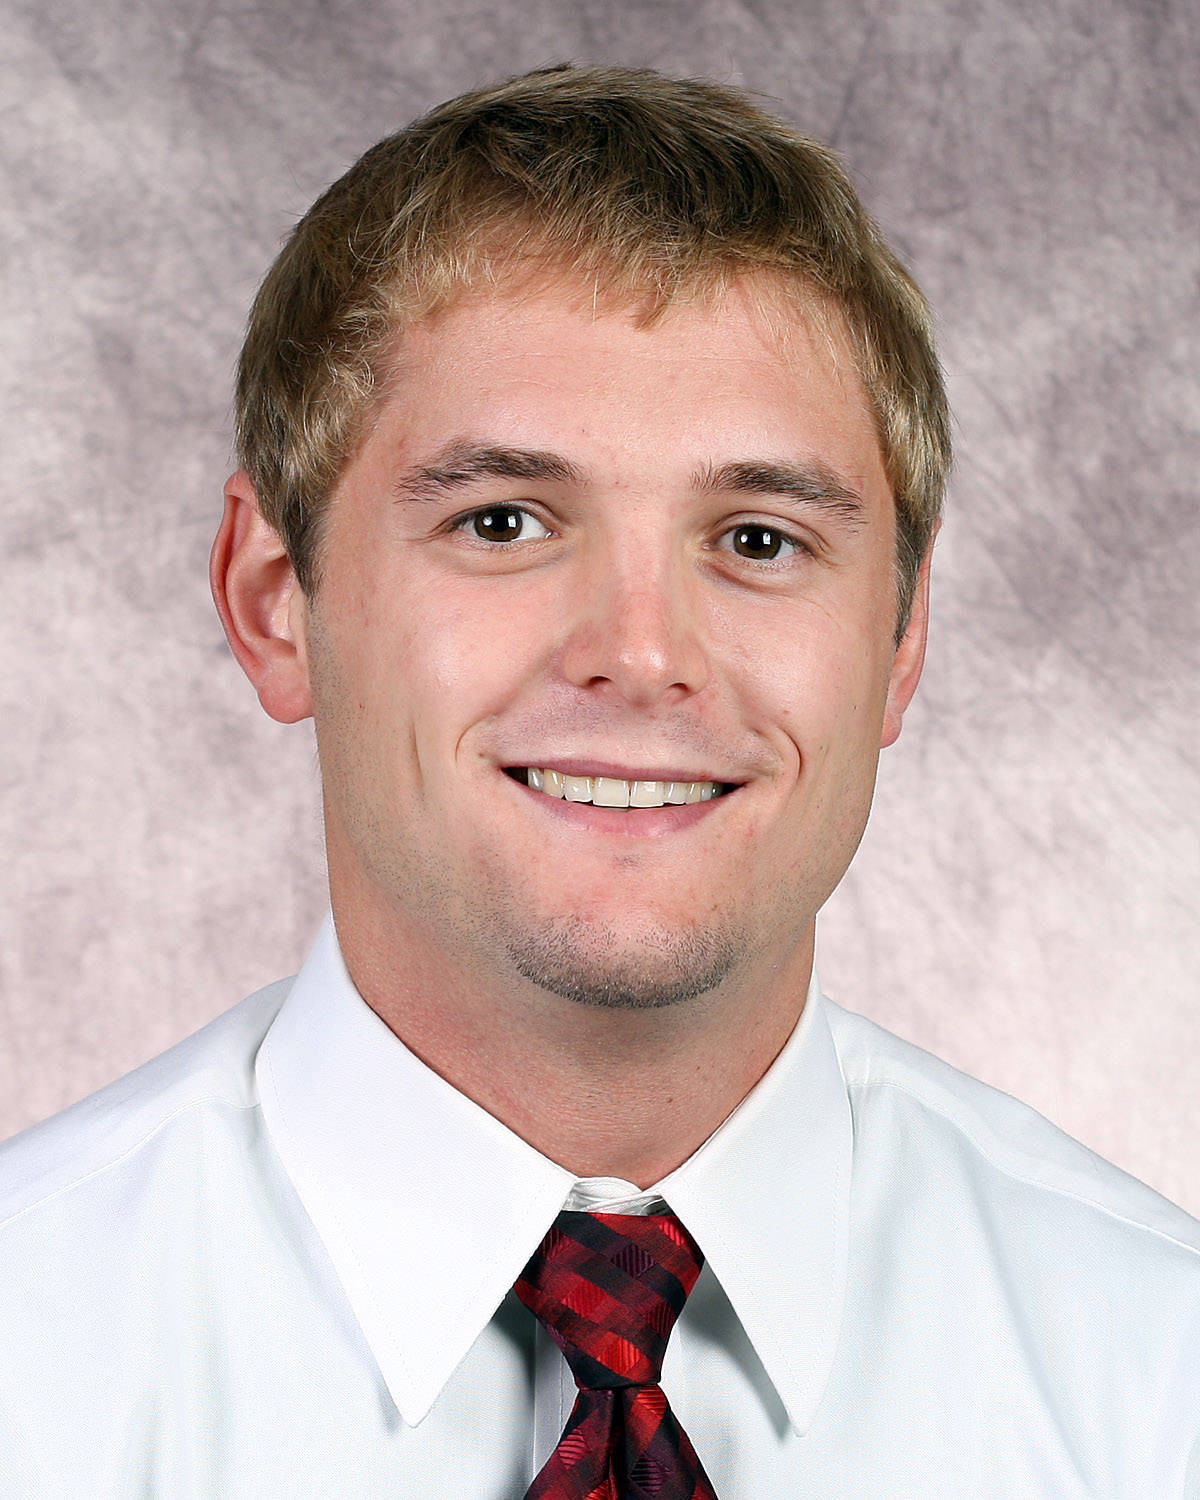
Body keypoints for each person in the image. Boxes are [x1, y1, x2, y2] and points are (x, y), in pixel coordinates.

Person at [1, 62, 1197, 1499]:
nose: (641, 655)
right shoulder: (34, 1360)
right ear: (274, 603)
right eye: (503, 520)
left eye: (758, 540)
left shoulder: (1156, 1371)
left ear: (900, 640)